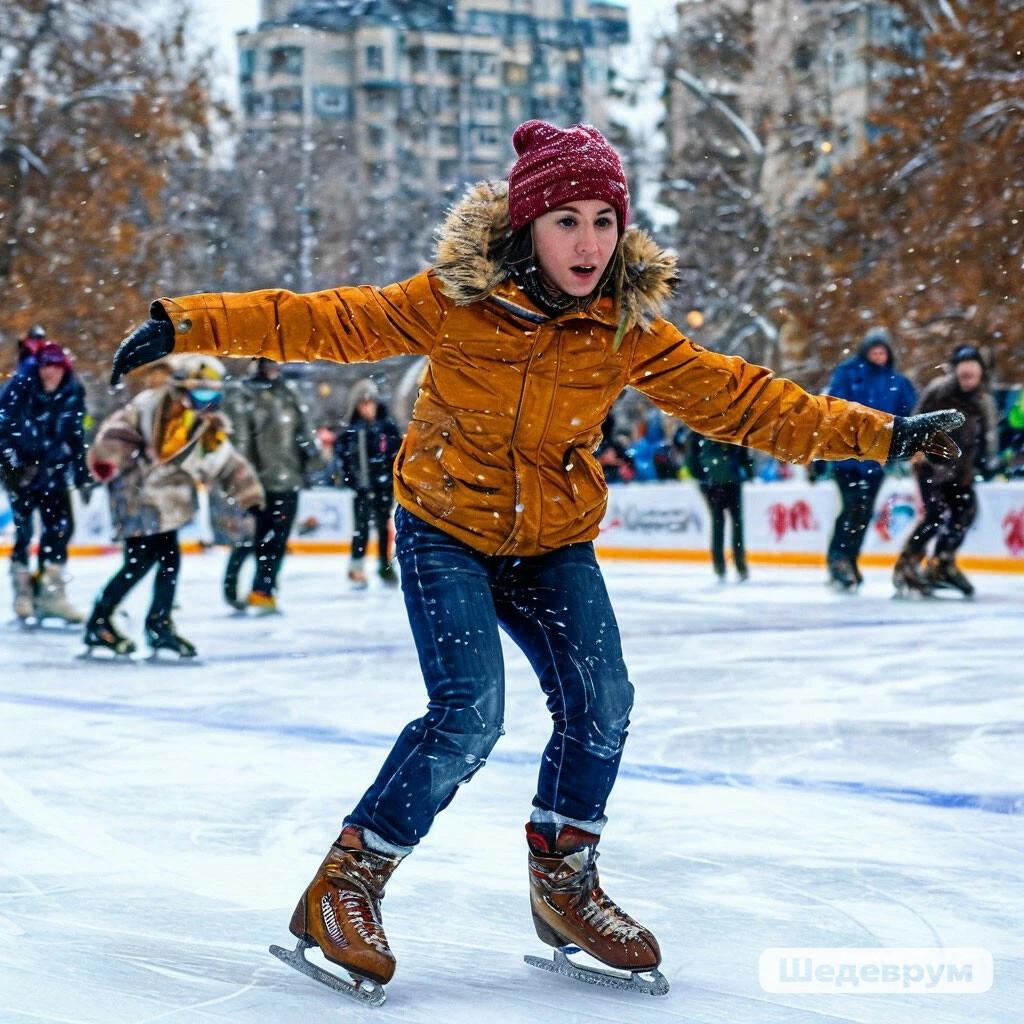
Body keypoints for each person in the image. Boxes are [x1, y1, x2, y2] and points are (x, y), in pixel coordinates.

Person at [108, 120, 963, 1001]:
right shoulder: (453, 300)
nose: (589, 242)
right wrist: (183, 324)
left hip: (553, 540)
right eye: (567, 221)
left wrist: (885, 435)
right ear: (527, 228)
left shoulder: (626, 328)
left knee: (604, 699)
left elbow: (742, 400)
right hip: (446, 530)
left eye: (604, 220)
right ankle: (346, 885)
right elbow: (322, 320)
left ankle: (564, 885)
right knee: (470, 712)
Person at [84, 355, 264, 656]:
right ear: (183, 388)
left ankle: (148, 623)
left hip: (167, 501)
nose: (209, 400)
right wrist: (107, 457)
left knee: (163, 559)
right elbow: (118, 432)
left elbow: (225, 461)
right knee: (145, 559)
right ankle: (115, 621)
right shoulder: (150, 406)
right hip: (136, 493)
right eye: (202, 392)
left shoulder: (204, 426)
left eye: (214, 393)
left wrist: (250, 495)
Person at [893, 344, 998, 597]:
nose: (968, 378)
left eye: (972, 373)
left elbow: (988, 433)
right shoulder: (939, 391)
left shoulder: (983, 399)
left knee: (965, 513)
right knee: (934, 515)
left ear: (980, 374)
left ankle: (942, 562)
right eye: (963, 374)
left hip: (962, 469)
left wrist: (988, 460)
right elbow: (915, 421)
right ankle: (906, 565)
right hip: (932, 466)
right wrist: (916, 452)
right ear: (956, 373)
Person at [817, 327, 917, 589]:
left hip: (875, 461)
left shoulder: (896, 381)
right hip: (846, 457)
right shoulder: (849, 374)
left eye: (883, 351)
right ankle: (838, 558)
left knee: (863, 511)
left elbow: (908, 413)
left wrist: (902, 445)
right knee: (851, 507)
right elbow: (834, 407)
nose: (879, 356)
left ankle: (850, 559)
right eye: (875, 351)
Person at [0, 341, 91, 623]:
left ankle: (50, 593)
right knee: (24, 531)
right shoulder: (21, 389)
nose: (50, 373)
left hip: (53, 470)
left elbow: (75, 433)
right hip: (22, 471)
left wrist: (79, 467)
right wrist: (14, 465)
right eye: (46, 367)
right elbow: (4, 429)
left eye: (56, 367)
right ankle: (23, 591)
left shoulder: (72, 392)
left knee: (61, 527)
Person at [221, 357, 317, 613]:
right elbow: (240, 442)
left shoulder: (288, 394)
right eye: (269, 363)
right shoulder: (244, 396)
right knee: (251, 538)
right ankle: (232, 587)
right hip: (257, 483)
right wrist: (242, 478)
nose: (274, 368)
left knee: (277, 541)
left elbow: (305, 433)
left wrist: (311, 458)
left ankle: (263, 590)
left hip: (288, 480)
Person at [334, 378, 401, 588]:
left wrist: (392, 478)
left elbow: (397, 453)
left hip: (384, 486)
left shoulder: (387, 427)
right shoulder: (351, 431)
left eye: (370, 402)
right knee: (360, 529)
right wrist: (351, 480)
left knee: (384, 528)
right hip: (362, 488)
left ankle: (385, 566)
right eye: (362, 403)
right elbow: (342, 459)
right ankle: (357, 568)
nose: (367, 407)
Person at [686, 433, 754, 581]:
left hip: (714, 483)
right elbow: (743, 453)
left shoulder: (697, 432)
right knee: (735, 523)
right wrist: (748, 471)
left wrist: (704, 481)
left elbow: (691, 462)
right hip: (730, 481)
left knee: (718, 523)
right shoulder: (728, 427)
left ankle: (720, 566)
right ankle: (739, 566)